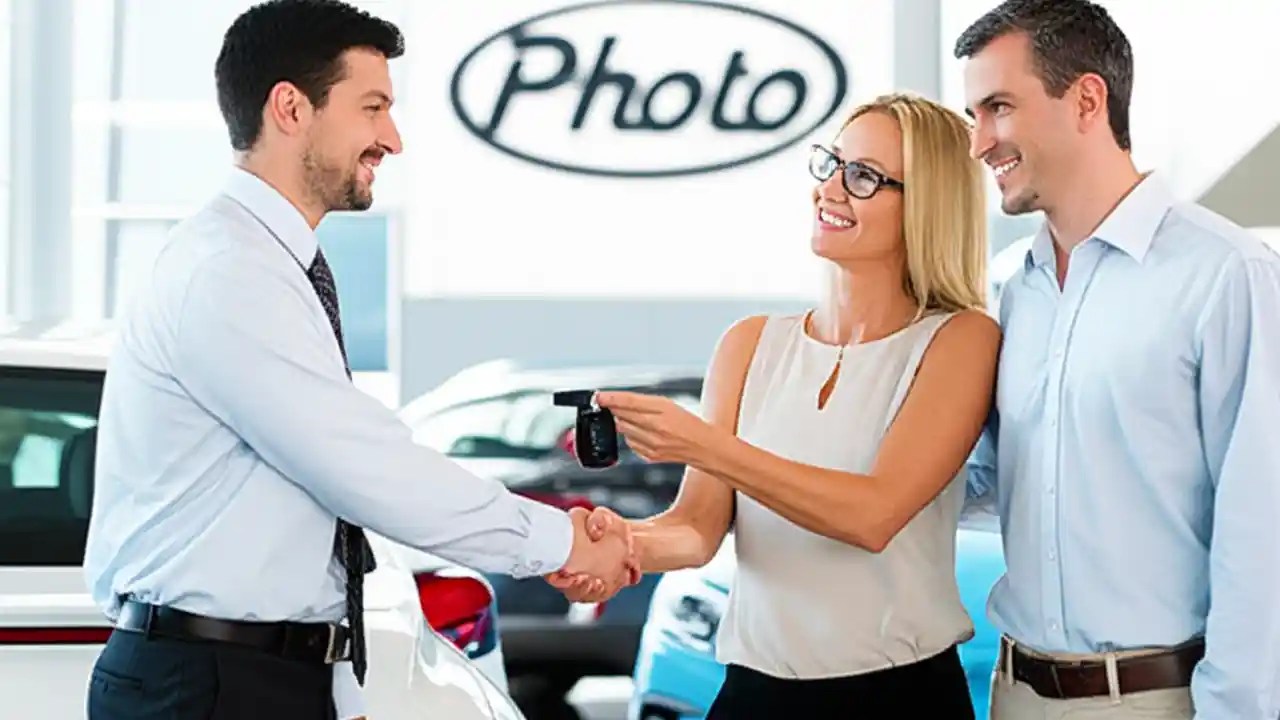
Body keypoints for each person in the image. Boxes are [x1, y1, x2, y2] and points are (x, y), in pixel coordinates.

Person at [82, 2, 633, 719]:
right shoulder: (229, 272)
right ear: (290, 107)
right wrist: (561, 540)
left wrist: (338, 687)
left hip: (260, 674)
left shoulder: (271, 265)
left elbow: (306, 512)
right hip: (209, 685)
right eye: (372, 107)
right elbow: (363, 467)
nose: (392, 139)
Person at [552, 92, 1000, 718]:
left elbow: (872, 514)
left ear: (926, 203)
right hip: (754, 691)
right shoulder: (750, 343)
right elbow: (697, 529)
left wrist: (706, 445)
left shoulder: (960, 340)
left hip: (897, 697)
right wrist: (616, 544)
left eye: (864, 176)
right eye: (832, 163)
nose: (832, 189)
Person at [951, 1, 1280, 718]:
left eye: (997, 108)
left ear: (1087, 100)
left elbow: (1262, 531)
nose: (979, 143)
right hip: (1016, 695)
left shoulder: (1227, 274)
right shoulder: (1010, 289)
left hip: (1160, 701)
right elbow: (979, 479)